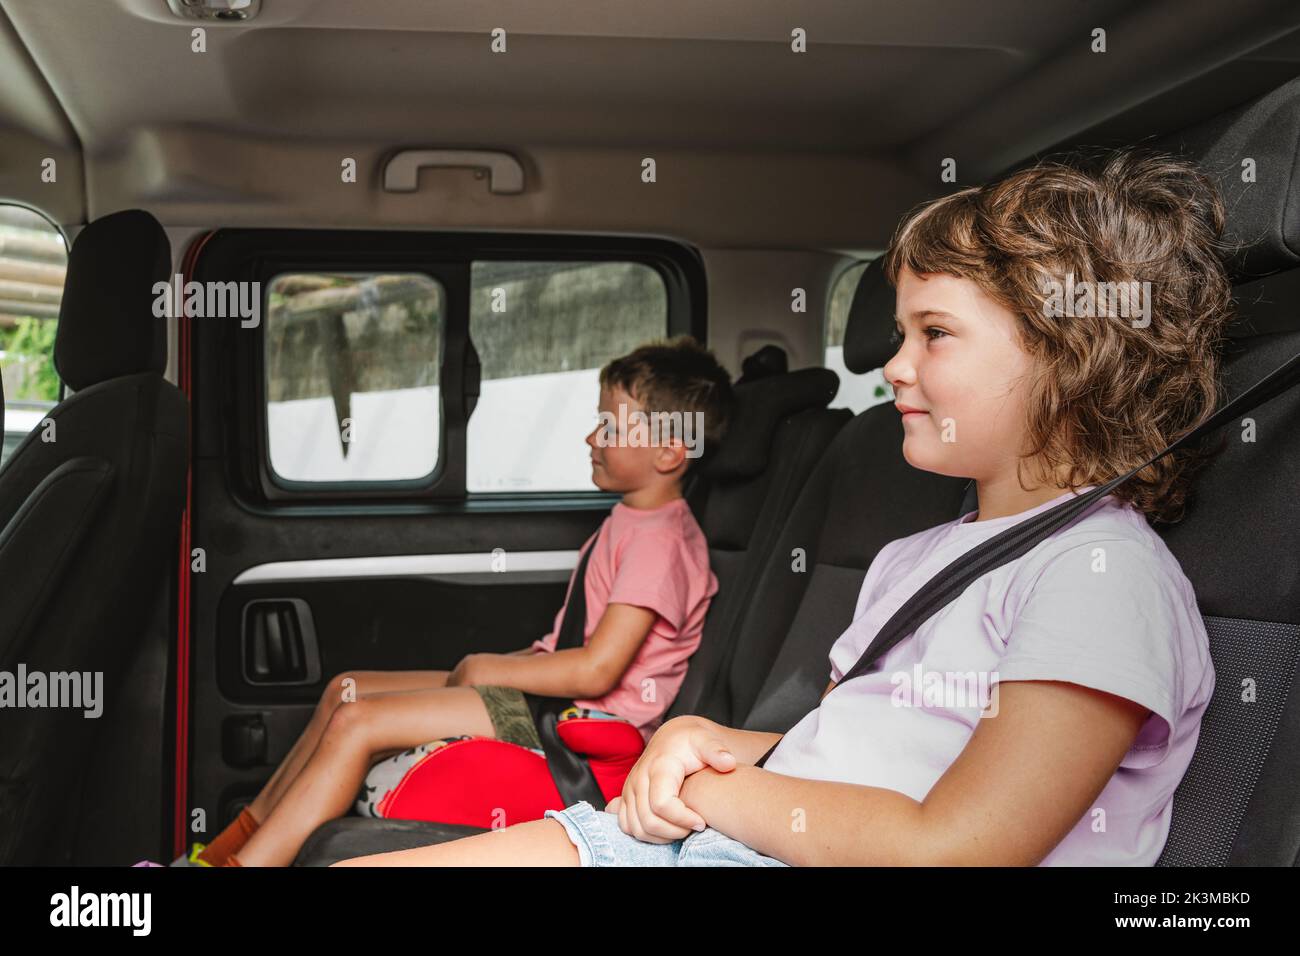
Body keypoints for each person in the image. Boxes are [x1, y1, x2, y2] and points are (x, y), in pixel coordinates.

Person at [333, 147, 1224, 867]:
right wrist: (705, 740)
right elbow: (844, 747)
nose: (894, 367)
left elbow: (957, 848)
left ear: (1068, 360)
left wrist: (712, 788)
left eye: (935, 334)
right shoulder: (917, 556)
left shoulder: (1101, 578)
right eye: (901, 333)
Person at [195, 335, 733, 866]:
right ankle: (222, 852)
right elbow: (572, 649)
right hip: (549, 703)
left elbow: (597, 670)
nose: (592, 437)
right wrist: (499, 666)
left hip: (578, 728)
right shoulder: (634, 521)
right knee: (345, 690)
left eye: (611, 427)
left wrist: (488, 668)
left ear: (669, 451)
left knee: (356, 723)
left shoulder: (661, 543)